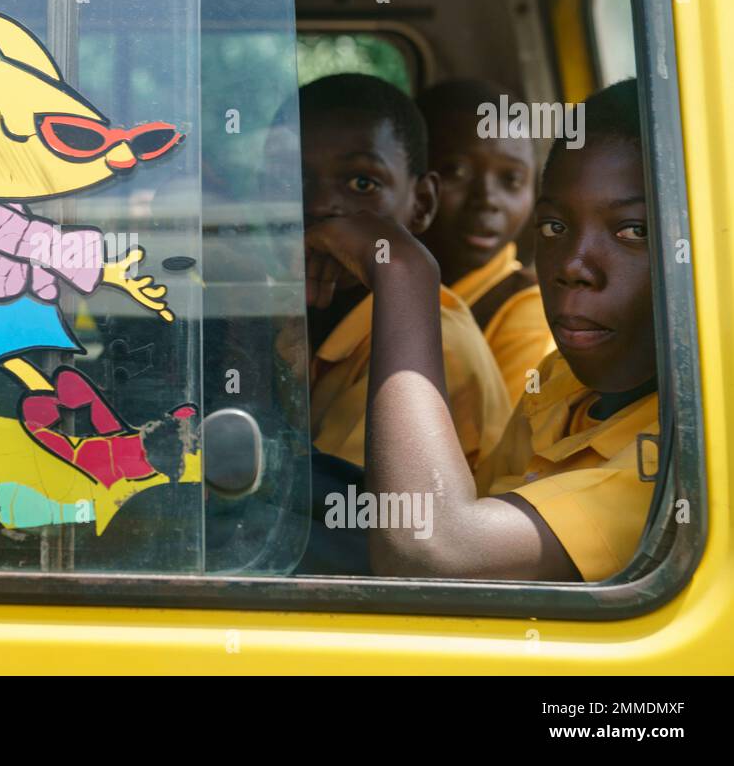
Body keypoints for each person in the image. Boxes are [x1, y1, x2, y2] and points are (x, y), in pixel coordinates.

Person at [303, 79, 658, 580]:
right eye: (554, 227)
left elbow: (433, 552)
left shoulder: (675, 462)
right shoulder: (563, 386)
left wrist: (404, 272)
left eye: (633, 230)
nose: (573, 265)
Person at [275, 74, 510, 473]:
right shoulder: (303, 317)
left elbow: (338, 511)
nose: (318, 205)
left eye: (362, 182)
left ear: (421, 203)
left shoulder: (436, 344)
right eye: (291, 180)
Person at [417, 79, 555, 404]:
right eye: (456, 171)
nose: (487, 199)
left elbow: (495, 453)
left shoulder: (527, 310)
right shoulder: (370, 286)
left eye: (512, 179)